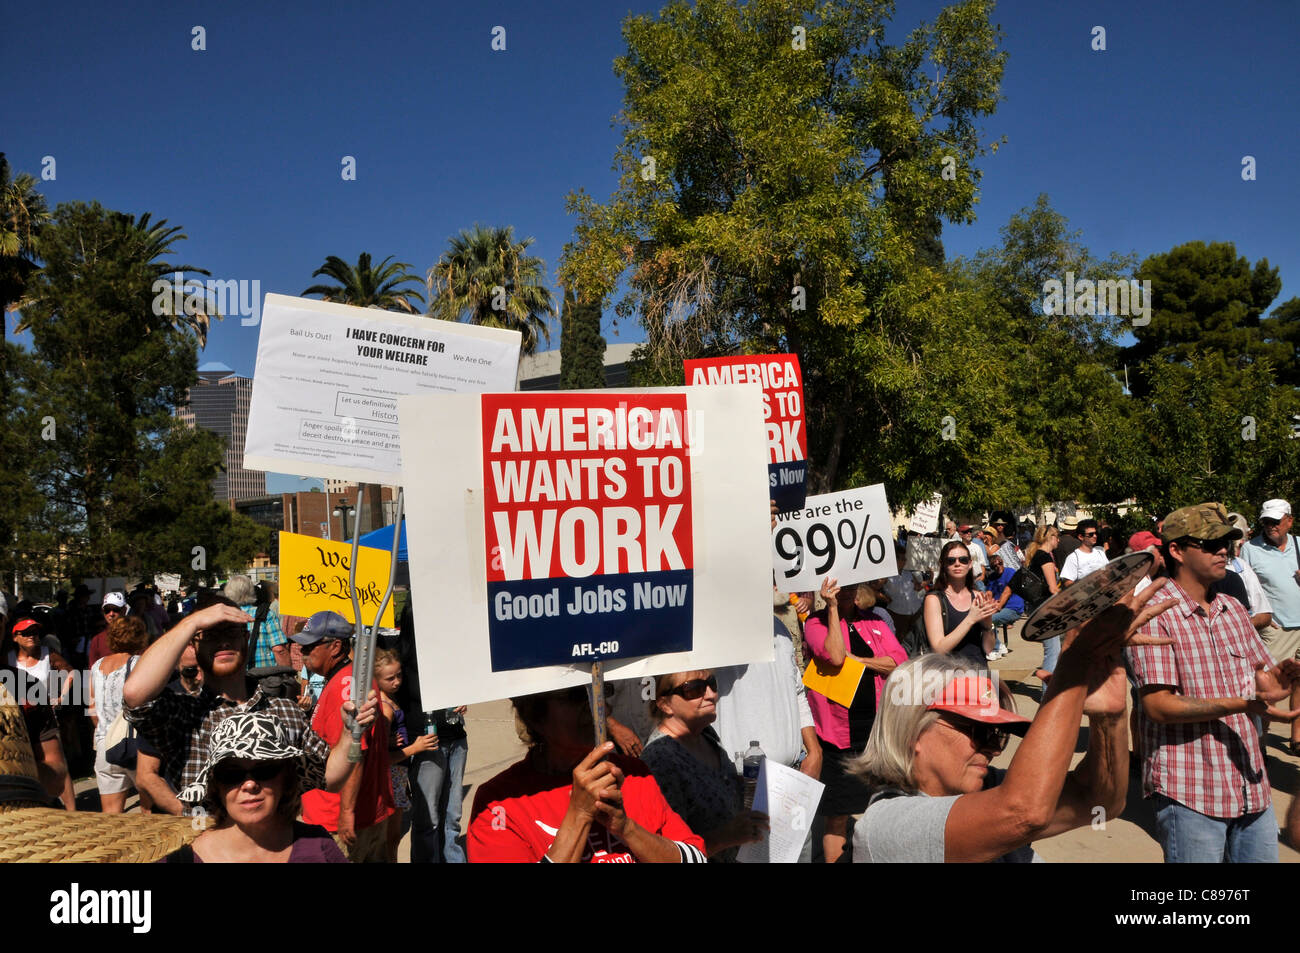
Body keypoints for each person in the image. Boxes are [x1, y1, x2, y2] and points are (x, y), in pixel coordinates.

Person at [851, 580, 1175, 862]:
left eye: (997, 734)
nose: (992, 749)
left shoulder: (985, 787)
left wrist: (1111, 717)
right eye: (978, 730)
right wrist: (1077, 663)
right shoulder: (885, 825)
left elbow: (1099, 802)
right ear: (911, 730)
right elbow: (1023, 813)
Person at [1127, 503, 1300, 862]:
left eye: (1226, 542)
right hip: (1192, 791)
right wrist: (1242, 705)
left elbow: (1262, 684)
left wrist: (1279, 682)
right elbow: (1158, 706)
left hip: (1252, 784)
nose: (1223, 550)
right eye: (1209, 543)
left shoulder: (1233, 610)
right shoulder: (1155, 614)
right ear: (1176, 550)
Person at [122, 594, 359, 814]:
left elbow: (329, 777)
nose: (223, 642)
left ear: (245, 638)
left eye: (231, 633)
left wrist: (350, 734)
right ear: (195, 645)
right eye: (211, 635)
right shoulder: (184, 714)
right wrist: (191, 623)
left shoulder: (283, 710)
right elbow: (134, 694)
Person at [467, 687, 708, 862]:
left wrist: (627, 829)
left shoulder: (633, 773)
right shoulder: (498, 803)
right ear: (534, 716)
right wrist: (579, 815)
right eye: (576, 696)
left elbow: (697, 858)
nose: (596, 706)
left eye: (602, 690)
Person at [163, 711, 367, 863]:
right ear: (216, 786)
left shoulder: (318, 845)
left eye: (265, 771)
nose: (250, 784)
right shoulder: (182, 858)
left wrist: (351, 734)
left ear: (286, 779)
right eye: (232, 775)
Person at [803, 577, 907, 862]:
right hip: (838, 734)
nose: (845, 589)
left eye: (850, 584)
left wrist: (858, 661)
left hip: (876, 731)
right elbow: (835, 657)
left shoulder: (875, 620)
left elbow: (898, 662)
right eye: (839, 586)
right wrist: (832, 607)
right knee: (837, 816)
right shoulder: (816, 622)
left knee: (884, 806)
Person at [713, 618, 823, 861]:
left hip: (793, 779)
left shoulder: (779, 628)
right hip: (743, 784)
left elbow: (797, 691)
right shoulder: (710, 630)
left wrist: (814, 750)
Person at [295, 611, 394, 862]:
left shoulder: (345, 686)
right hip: (360, 811)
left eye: (309, 646)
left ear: (335, 646)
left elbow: (356, 751)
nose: (302, 651)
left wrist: (347, 811)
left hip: (339, 817)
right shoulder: (349, 679)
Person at [639, 670, 769, 862]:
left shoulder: (706, 734)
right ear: (665, 704)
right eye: (694, 689)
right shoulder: (660, 758)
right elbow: (666, 851)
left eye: (712, 683)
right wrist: (726, 836)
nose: (711, 694)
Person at [1240, 498, 1300, 754]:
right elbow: (1245, 588)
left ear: (1289, 520)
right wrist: (1262, 618)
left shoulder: (1299, 544)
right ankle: (1260, 744)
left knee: (1299, 682)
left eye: (1275, 521)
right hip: (1276, 630)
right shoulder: (1250, 549)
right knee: (1267, 687)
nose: (1270, 526)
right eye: (1266, 521)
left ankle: (1297, 738)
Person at [2, 616, 76, 809]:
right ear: (14, 637)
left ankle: (71, 811)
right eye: (26, 633)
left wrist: (61, 698)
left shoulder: (46, 655)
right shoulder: (9, 657)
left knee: (61, 765)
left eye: (34, 632)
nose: (32, 636)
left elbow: (71, 672)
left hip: (41, 712)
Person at [373, 647, 438, 863]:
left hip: (397, 777)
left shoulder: (391, 701)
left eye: (399, 675)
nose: (397, 681)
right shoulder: (386, 709)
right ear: (376, 678)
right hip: (390, 778)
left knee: (392, 838)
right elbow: (381, 758)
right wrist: (415, 747)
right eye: (390, 678)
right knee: (389, 838)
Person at [88, 615, 149, 813]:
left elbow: (92, 708)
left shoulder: (97, 666)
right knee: (149, 811)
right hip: (135, 744)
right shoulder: (140, 663)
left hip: (105, 745)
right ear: (140, 637)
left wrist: (104, 728)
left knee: (111, 816)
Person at [923, 540, 996, 665]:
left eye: (963, 560)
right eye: (951, 560)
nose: (957, 564)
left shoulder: (978, 596)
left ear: (970, 564)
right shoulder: (934, 599)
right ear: (943, 564)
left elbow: (988, 649)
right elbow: (939, 649)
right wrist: (971, 619)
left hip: (979, 672)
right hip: (949, 676)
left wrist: (988, 624)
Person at [1024, 525, 1063, 682]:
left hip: (1037, 608)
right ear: (1051, 538)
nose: (1058, 540)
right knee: (1053, 652)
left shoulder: (1037, 555)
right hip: (1044, 609)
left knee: (1054, 650)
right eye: (1057, 536)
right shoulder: (1044, 557)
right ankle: (1048, 693)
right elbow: (1053, 588)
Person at [225, 576, 289, 669]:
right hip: (265, 677)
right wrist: (288, 673)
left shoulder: (224, 617)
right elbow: (279, 650)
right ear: (252, 591)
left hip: (235, 677)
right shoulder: (266, 614)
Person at [1060, 519, 1108, 587]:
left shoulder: (1100, 553)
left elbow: (1107, 571)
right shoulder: (1073, 557)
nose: (1095, 536)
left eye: (1096, 533)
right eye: (1091, 534)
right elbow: (1068, 582)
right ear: (1081, 537)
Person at [87, 591, 128, 668]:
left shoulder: (135, 636)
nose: (111, 614)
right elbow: (92, 670)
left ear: (124, 610)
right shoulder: (97, 640)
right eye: (107, 610)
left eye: (116, 609)